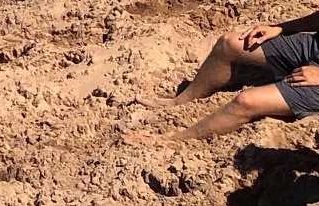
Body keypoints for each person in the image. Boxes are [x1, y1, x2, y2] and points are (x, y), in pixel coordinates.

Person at [136, 12, 319, 141]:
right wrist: (280, 27)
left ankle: (174, 141)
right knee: (229, 43)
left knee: (247, 101)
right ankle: (178, 101)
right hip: (314, 47)